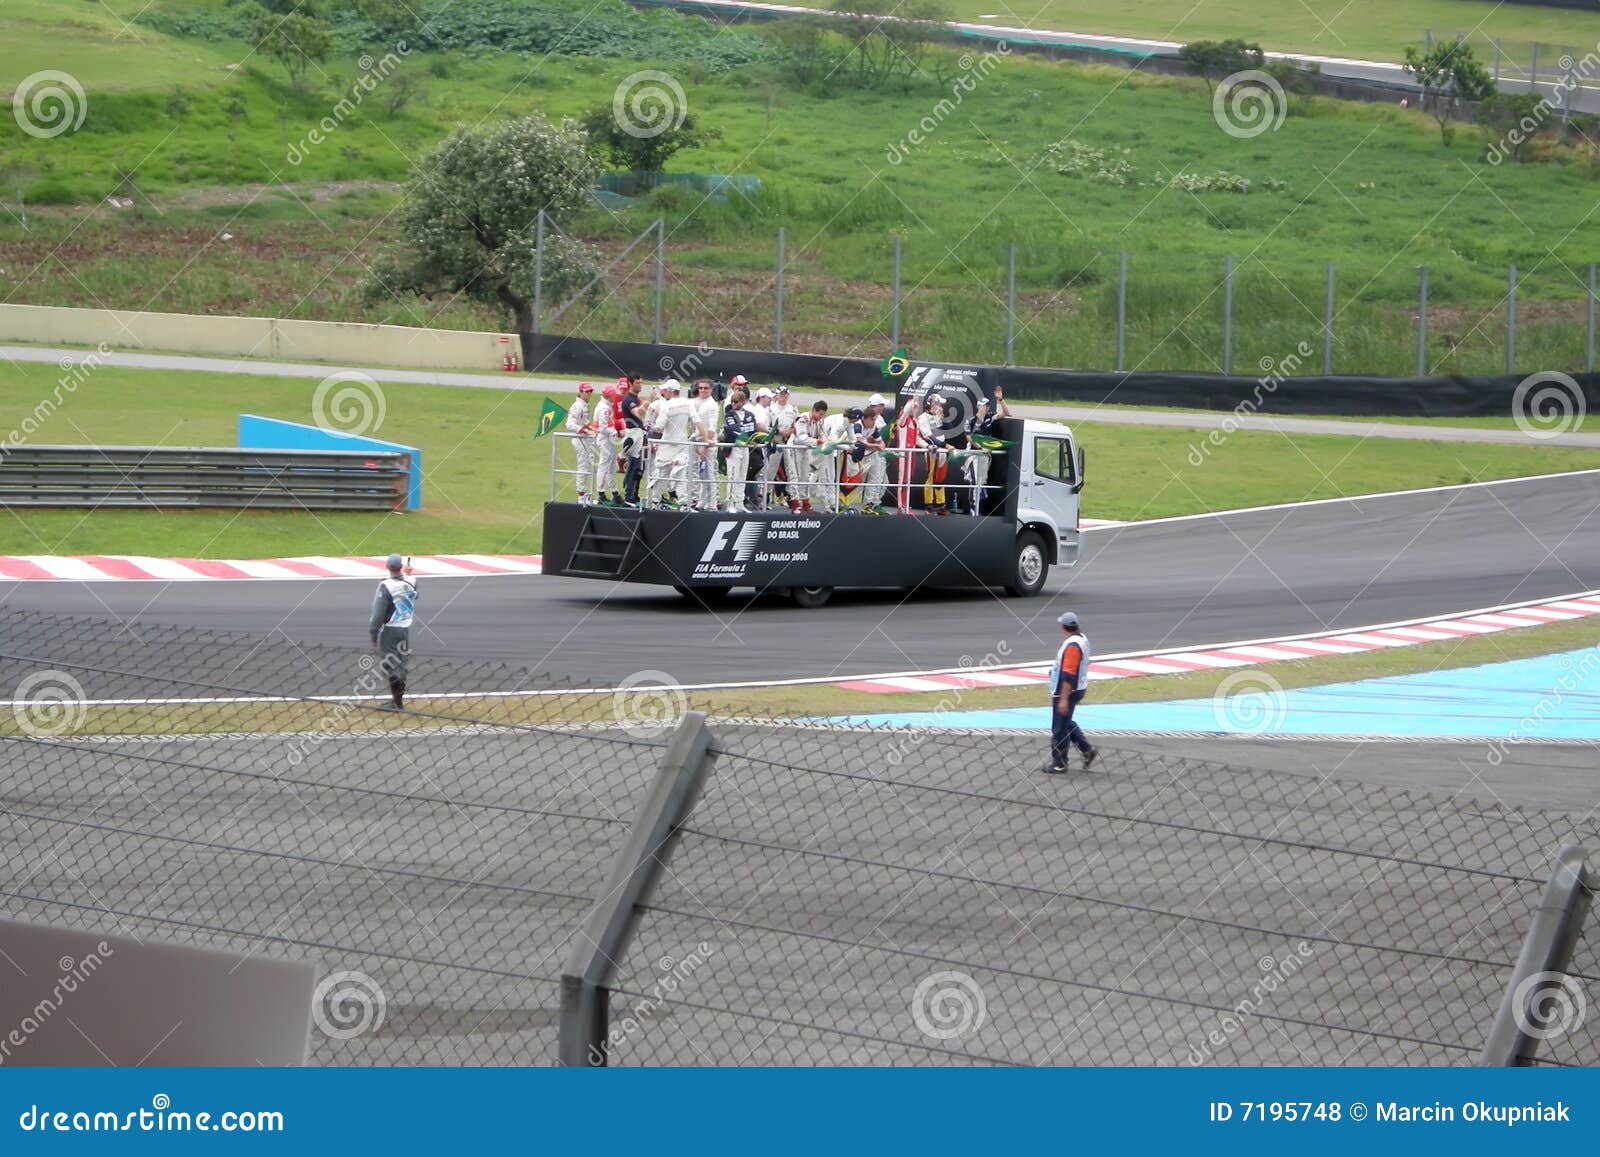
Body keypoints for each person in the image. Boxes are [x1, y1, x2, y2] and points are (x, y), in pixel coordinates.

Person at [1045, 611, 1097, 773]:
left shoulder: (1072, 646)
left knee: (1059, 728)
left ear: (1063, 626)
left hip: (1067, 690)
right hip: (1079, 686)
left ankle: (1059, 763)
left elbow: (1068, 674)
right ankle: (1087, 750)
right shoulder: (1082, 639)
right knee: (1066, 723)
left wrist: (1063, 699)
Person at [368, 553, 417, 711]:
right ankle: (398, 701)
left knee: (390, 665)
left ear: (387, 566)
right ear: (401, 567)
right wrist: (408, 574)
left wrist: (373, 635)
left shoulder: (385, 585)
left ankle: (396, 703)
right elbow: (411, 591)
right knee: (401, 664)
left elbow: (377, 616)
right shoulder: (411, 581)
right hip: (405, 630)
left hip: (389, 630)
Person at [647, 380, 695, 508]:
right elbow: (694, 421)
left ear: (670, 391)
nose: (663, 392)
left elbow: (658, 427)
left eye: (665, 390)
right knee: (680, 475)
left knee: (662, 475)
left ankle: (655, 502)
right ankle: (684, 503)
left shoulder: (665, 406)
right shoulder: (687, 404)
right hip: (682, 444)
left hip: (667, 445)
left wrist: (650, 425)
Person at [966, 386, 1012, 516]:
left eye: (988, 406)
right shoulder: (970, 420)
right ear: (979, 407)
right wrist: (980, 447)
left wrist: (1001, 400)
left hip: (985, 456)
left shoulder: (990, 417)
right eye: (984, 406)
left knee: (982, 481)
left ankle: (978, 508)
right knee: (974, 481)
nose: (987, 408)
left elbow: (1006, 413)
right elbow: (968, 438)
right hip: (973, 455)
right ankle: (973, 508)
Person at [721, 389, 757, 512]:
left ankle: (739, 503)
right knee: (733, 476)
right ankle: (730, 503)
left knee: (742, 475)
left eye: (736, 401)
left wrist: (748, 438)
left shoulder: (750, 415)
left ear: (743, 402)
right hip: (733, 448)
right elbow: (733, 429)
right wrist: (745, 437)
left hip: (745, 448)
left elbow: (753, 429)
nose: (733, 404)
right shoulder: (729, 415)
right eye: (732, 402)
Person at [788, 400, 827, 513]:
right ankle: (795, 504)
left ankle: (805, 502)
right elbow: (801, 438)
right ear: (814, 410)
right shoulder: (803, 419)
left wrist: (826, 442)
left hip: (805, 449)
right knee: (794, 475)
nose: (821, 417)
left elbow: (821, 436)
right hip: (794, 448)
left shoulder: (818, 422)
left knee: (805, 475)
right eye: (820, 414)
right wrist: (817, 442)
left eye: (823, 415)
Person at [764, 384, 799, 508]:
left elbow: (798, 425)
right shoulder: (771, 409)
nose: (783, 397)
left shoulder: (793, 409)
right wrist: (778, 432)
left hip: (789, 443)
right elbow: (766, 427)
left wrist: (790, 432)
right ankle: (766, 498)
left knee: (792, 471)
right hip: (776, 442)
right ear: (777, 395)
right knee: (770, 470)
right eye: (781, 395)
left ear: (788, 395)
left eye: (785, 395)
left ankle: (793, 498)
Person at [690, 379, 721, 511]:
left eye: (706, 388)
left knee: (710, 474)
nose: (702, 390)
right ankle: (702, 501)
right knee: (701, 473)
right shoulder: (696, 401)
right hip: (697, 440)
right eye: (701, 388)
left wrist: (706, 446)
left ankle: (712, 503)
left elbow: (712, 427)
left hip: (708, 443)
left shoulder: (712, 405)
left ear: (711, 390)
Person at [814, 403, 849, 513]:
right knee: (822, 477)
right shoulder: (840, 422)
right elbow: (833, 440)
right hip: (822, 449)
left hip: (828, 449)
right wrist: (848, 447)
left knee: (831, 476)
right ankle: (826, 504)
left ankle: (832, 503)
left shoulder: (848, 423)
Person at [565, 382, 597, 504]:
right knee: (583, 466)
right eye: (586, 391)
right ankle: (581, 497)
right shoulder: (577, 406)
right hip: (579, 439)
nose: (589, 394)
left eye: (590, 391)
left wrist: (589, 427)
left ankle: (586, 495)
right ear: (581, 392)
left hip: (585, 438)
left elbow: (583, 421)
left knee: (589, 465)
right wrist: (582, 429)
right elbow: (569, 424)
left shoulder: (585, 405)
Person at [593, 384, 624, 506]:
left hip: (608, 440)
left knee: (612, 467)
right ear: (609, 395)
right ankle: (601, 494)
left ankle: (615, 493)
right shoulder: (604, 409)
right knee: (604, 467)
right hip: (605, 440)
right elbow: (603, 427)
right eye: (613, 395)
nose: (615, 397)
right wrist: (617, 432)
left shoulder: (605, 406)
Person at [619, 374, 646, 505]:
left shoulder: (635, 398)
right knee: (634, 466)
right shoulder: (629, 399)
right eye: (637, 383)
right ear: (630, 383)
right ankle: (629, 495)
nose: (640, 385)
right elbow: (638, 413)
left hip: (638, 434)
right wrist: (650, 399)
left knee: (637, 467)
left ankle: (633, 493)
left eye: (641, 383)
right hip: (633, 435)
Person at [860, 393, 890, 512]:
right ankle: (867, 505)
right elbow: (867, 438)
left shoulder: (880, 418)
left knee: (884, 481)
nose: (883, 407)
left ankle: (874, 503)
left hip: (878, 453)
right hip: (868, 454)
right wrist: (879, 440)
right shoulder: (866, 418)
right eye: (881, 405)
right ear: (875, 406)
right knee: (870, 480)